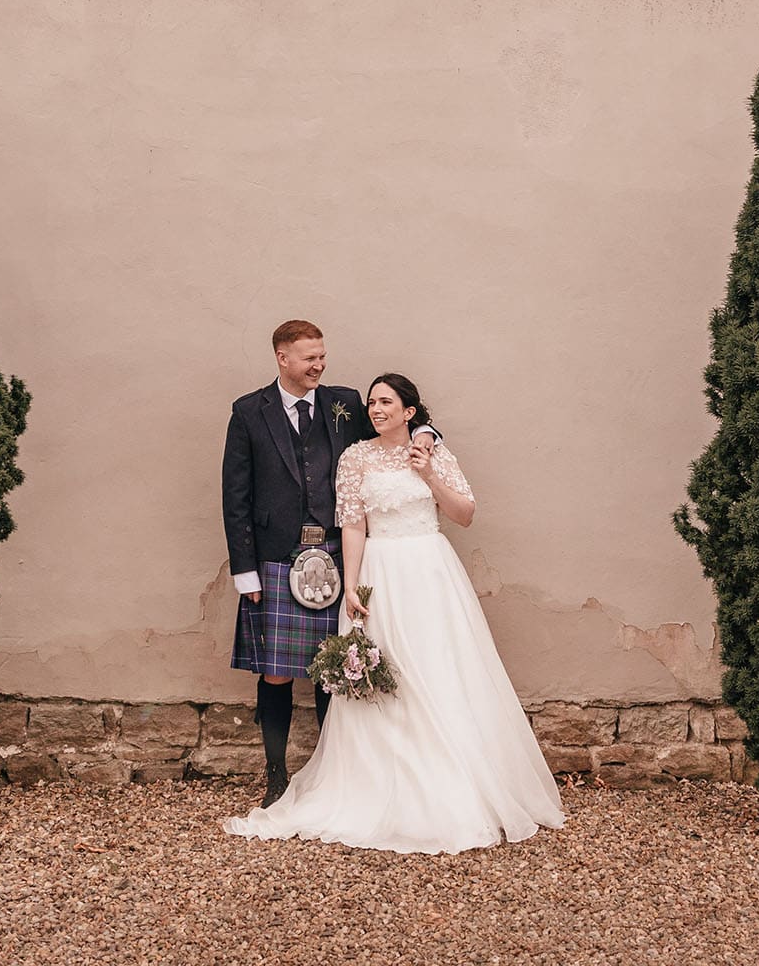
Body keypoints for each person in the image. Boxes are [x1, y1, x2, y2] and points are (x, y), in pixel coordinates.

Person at [224, 373, 565, 854]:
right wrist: (352, 586)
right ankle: (378, 783)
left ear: (409, 412)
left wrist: (429, 474)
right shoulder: (355, 457)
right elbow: (353, 525)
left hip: (431, 573)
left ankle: (452, 781)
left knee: (439, 672)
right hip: (380, 574)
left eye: (386, 402)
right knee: (388, 676)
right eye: (371, 402)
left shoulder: (432, 452)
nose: (376, 409)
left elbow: (465, 514)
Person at [221, 322, 436, 808]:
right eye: (309, 358)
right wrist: (245, 570)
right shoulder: (249, 412)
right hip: (277, 558)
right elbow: (235, 497)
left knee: (331, 669)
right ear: (282, 358)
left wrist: (426, 432)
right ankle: (276, 775)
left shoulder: (345, 403)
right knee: (276, 673)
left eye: (322, 356)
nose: (319, 365)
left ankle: (333, 775)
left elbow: (395, 430)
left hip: (337, 554)